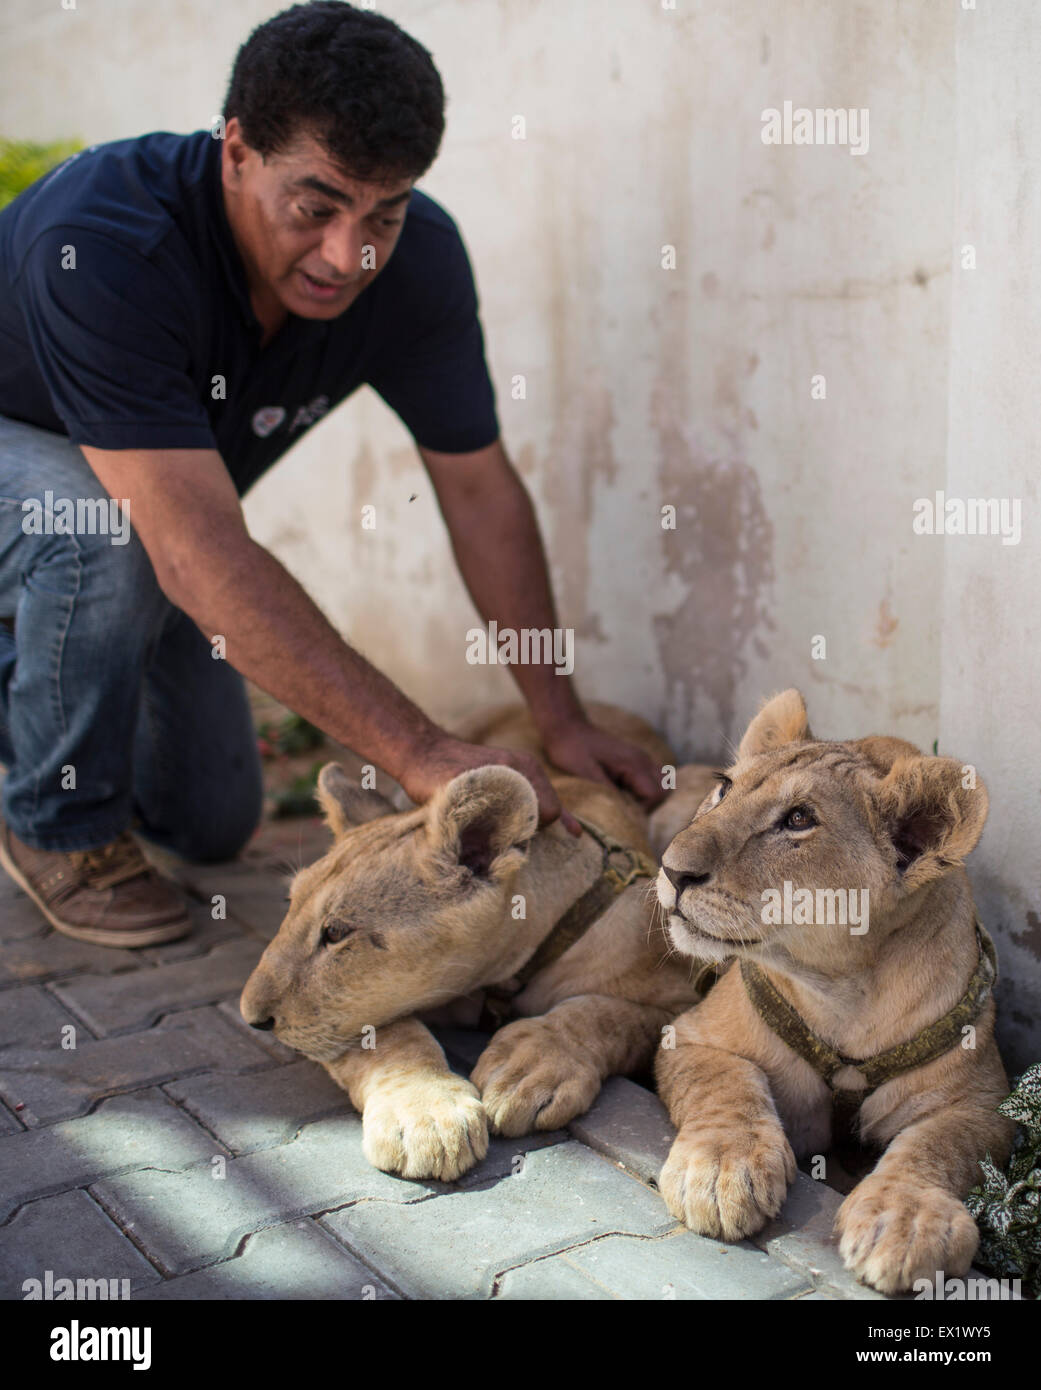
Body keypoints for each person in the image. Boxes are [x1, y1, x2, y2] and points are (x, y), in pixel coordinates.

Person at [0, 2, 662, 948]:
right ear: (235, 152)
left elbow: (478, 490)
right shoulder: (108, 244)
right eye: (315, 208)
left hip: (132, 521)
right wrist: (420, 752)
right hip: (43, 483)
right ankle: (57, 831)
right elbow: (189, 549)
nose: (348, 256)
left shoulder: (417, 264)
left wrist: (557, 716)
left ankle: (38, 697)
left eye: (381, 214)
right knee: (100, 531)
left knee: (210, 821)